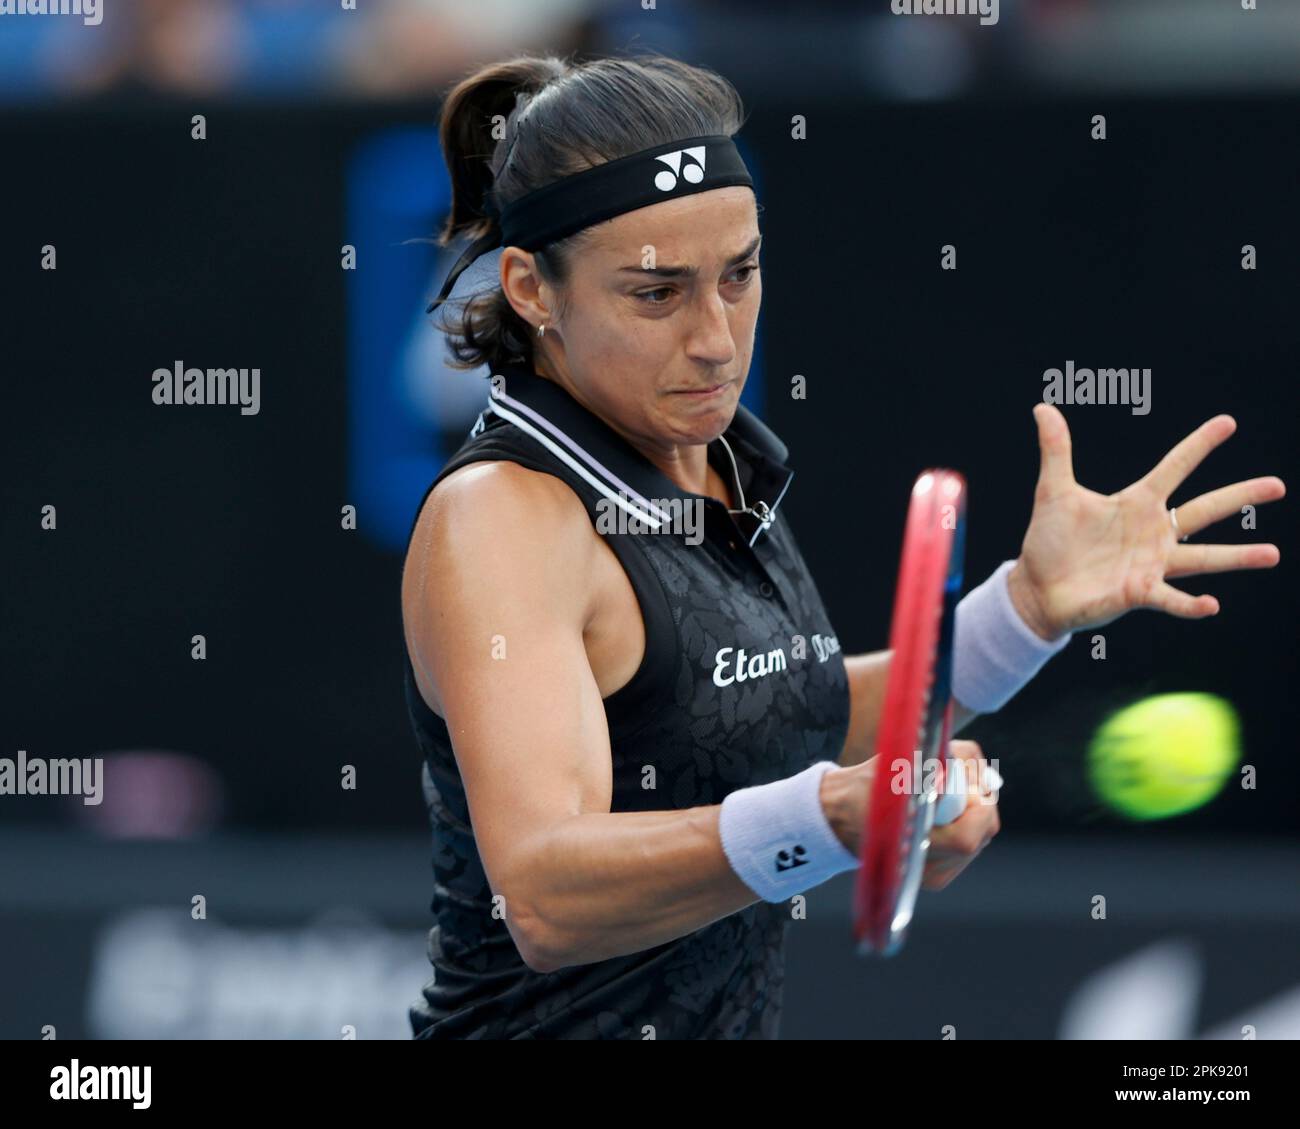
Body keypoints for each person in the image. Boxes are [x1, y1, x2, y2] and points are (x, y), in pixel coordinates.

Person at [400, 52, 1285, 1039]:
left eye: (739, 274)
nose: (716, 340)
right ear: (529, 287)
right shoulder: (504, 516)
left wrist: (1020, 614)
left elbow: (780, 712)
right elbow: (546, 896)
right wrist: (829, 819)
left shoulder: (717, 459)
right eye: (657, 293)